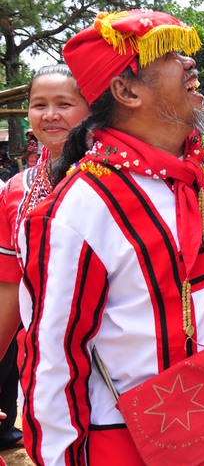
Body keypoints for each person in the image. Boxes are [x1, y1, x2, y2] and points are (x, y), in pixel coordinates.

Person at [18, 9, 204, 465]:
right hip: (147, 444)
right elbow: (54, 358)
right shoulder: (76, 209)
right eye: (169, 54)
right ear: (127, 91)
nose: (189, 62)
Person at [0, 65, 91, 452]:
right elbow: (10, 285)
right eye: (39, 105)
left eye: (64, 104)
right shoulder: (16, 191)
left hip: (122, 356)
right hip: (46, 360)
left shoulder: (119, 179)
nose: (50, 115)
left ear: (92, 108)